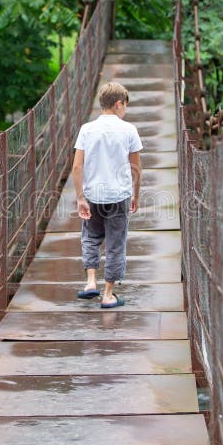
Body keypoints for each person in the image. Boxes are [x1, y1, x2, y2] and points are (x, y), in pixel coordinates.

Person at [72, 82, 142, 308]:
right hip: (118, 195)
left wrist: (80, 196)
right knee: (115, 244)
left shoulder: (86, 129)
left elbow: (76, 167)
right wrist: (135, 194)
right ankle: (108, 294)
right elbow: (136, 169)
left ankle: (91, 282)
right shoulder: (129, 129)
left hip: (93, 195)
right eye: (125, 107)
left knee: (91, 238)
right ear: (119, 104)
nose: (125, 112)